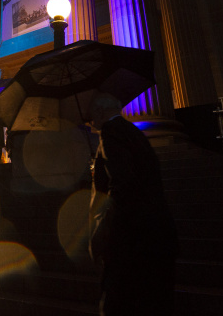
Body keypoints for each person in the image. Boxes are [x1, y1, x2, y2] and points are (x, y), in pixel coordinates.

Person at [87, 92, 177, 316]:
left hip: (129, 234)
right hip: (154, 229)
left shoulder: (111, 132)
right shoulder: (134, 132)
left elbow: (122, 183)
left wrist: (102, 230)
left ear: (100, 112)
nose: (90, 120)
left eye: (92, 114)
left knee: (117, 301)